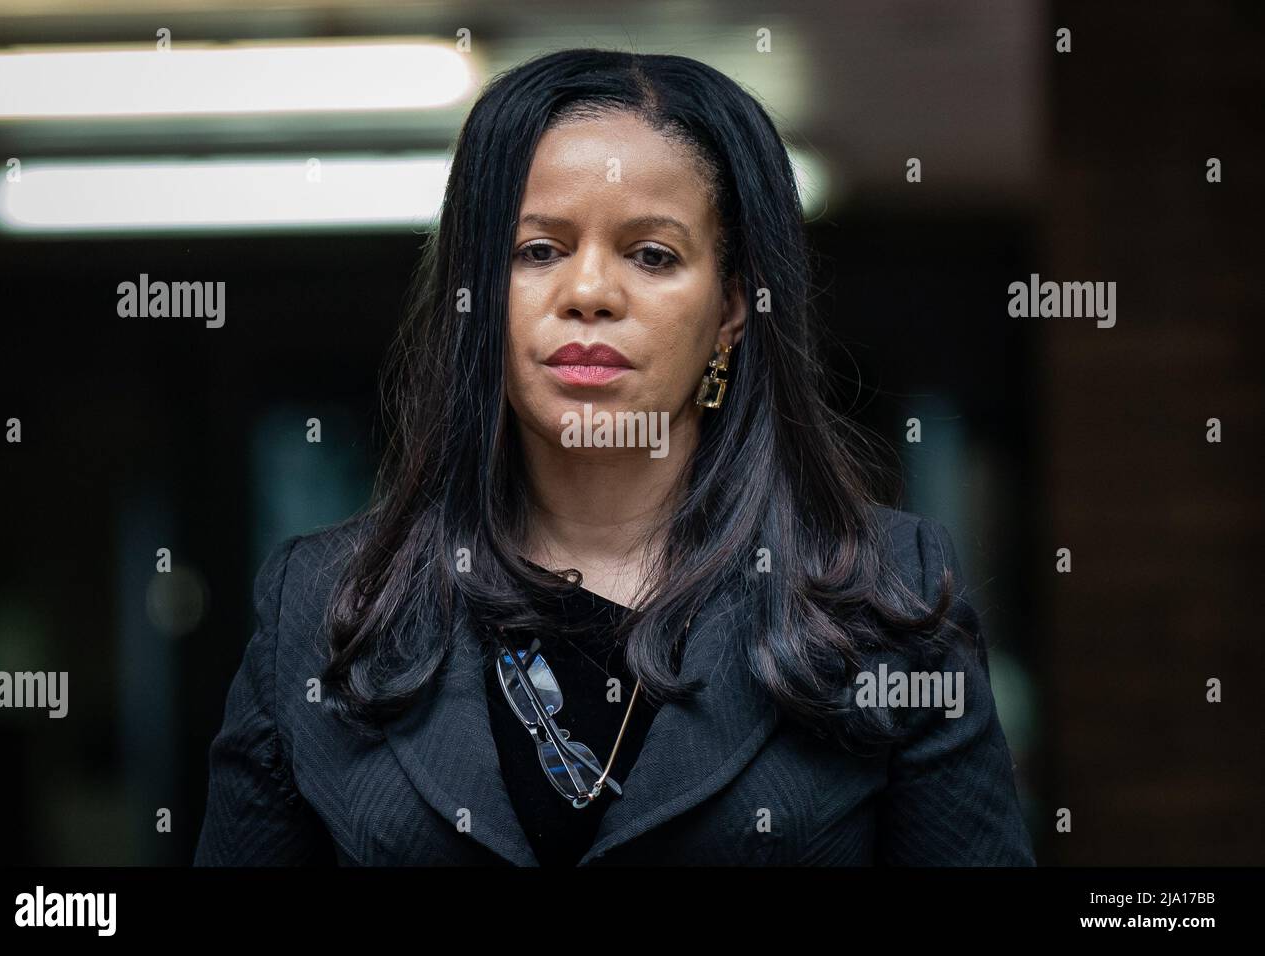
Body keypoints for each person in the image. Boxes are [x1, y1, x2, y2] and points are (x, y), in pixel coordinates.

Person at [194, 48, 1035, 866]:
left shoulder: (882, 595)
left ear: (733, 308)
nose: (589, 292)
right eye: (538, 251)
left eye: (652, 255)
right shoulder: (324, 608)